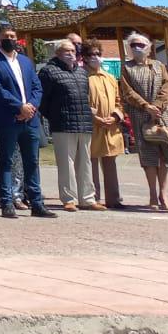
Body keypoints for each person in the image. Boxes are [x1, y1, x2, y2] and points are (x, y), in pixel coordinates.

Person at [0, 26, 54, 218]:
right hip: (7, 119)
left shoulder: (26, 61)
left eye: (13, 36)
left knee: (32, 161)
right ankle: (7, 202)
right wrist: (18, 107)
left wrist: (30, 107)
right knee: (6, 160)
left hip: (30, 120)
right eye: (5, 36)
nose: (10, 39)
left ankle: (36, 203)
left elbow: (37, 88)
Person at [117, 32, 168, 211]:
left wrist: (157, 106)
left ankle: (163, 193)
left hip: (162, 113)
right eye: (134, 45)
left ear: (149, 47)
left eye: (141, 45)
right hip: (140, 114)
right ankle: (152, 193)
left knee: (164, 153)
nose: (138, 48)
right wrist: (146, 106)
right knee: (148, 155)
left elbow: (167, 87)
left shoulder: (159, 66)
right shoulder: (126, 67)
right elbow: (127, 92)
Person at [39, 39, 98, 211]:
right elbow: (43, 101)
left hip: (84, 123)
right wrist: (54, 116)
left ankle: (88, 198)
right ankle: (69, 199)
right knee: (67, 163)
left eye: (73, 50)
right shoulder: (48, 71)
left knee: (85, 163)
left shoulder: (82, 72)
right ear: (57, 53)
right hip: (62, 124)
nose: (71, 53)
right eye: (66, 51)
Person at [82, 44, 126, 209]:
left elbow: (118, 101)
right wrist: (95, 118)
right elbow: (81, 102)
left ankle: (114, 199)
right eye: (91, 54)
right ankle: (93, 198)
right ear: (84, 57)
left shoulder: (110, 77)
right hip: (91, 126)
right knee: (90, 163)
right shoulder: (82, 76)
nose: (95, 57)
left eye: (98, 53)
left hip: (110, 127)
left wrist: (115, 117)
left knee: (110, 163)